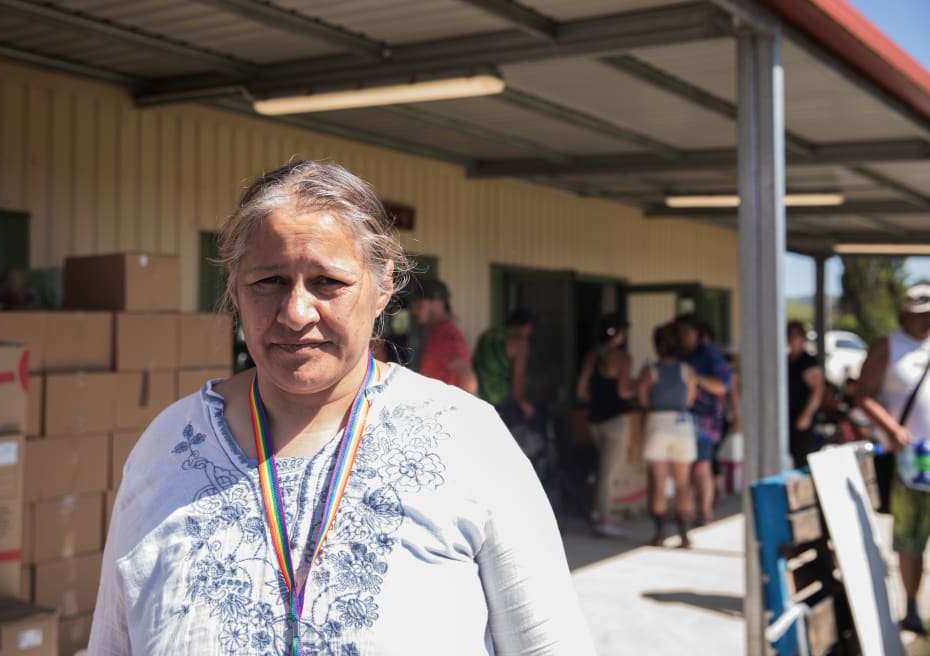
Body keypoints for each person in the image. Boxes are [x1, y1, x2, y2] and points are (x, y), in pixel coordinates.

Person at [89, 160, 594, 654]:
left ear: (383, 286)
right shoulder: (170, 445)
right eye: (269, 281)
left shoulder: (468, 439)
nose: (295, 313)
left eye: (328, 282)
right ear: (234, 287)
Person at [856, 283, 930, 635]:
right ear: (904, 315)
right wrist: (892, 430)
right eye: (919, 315)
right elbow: (864, 394)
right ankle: (911, 604)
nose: (926, 320)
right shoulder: (887, 347)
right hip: (911, 461)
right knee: (909, 536)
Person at [636, 322, 697, 547]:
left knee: (659, 482)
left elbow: (643, 399)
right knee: (683, 483)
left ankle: (659, 534)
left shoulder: (650, 371)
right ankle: (684, 535)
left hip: (658, 423)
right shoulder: (687, 370)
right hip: (681, 423)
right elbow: (690, 399)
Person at [576, 313, 634, 537]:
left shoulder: (592, 355)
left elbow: (581, 390)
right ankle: (604, 519)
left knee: (601, 468)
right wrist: (640, 387)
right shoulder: (622, 358)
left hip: (595, 419)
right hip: (615, 418)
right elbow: (624, 391)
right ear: (618, 334)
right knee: (607, 472)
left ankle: (597, 510)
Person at [676, 314, 731, 526]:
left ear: (697, 333)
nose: (682, 336)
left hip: (704, 421)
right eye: (679, 332)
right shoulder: (679, 355)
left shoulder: (709, 355)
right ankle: (687, 511)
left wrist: (695, 379)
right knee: (685, 468)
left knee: (701, 466)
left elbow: (723, 385)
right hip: (680, 418)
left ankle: (704, 512)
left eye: (686, 331)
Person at [409, 276, 479, 394]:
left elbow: (469, 382)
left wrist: (456, 406)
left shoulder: (445, 335)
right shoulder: (437, 332)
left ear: (438, 303)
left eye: (419, 305)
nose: (414, 311)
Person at [473, 307, 535, 424]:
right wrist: (522, 403)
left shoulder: (487, 335)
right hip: (498, 401)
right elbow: (518, 377)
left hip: (477, 397)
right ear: (526, 326)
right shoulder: (519, 342)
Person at [786, 321, 824, 469]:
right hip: (788, 416)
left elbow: (818, 391)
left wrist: (806, 415)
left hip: (802, 418)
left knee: (801, 459)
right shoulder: (786, 360)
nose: (792, 339)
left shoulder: (808, 362)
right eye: (789, 335)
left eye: (796, 335)